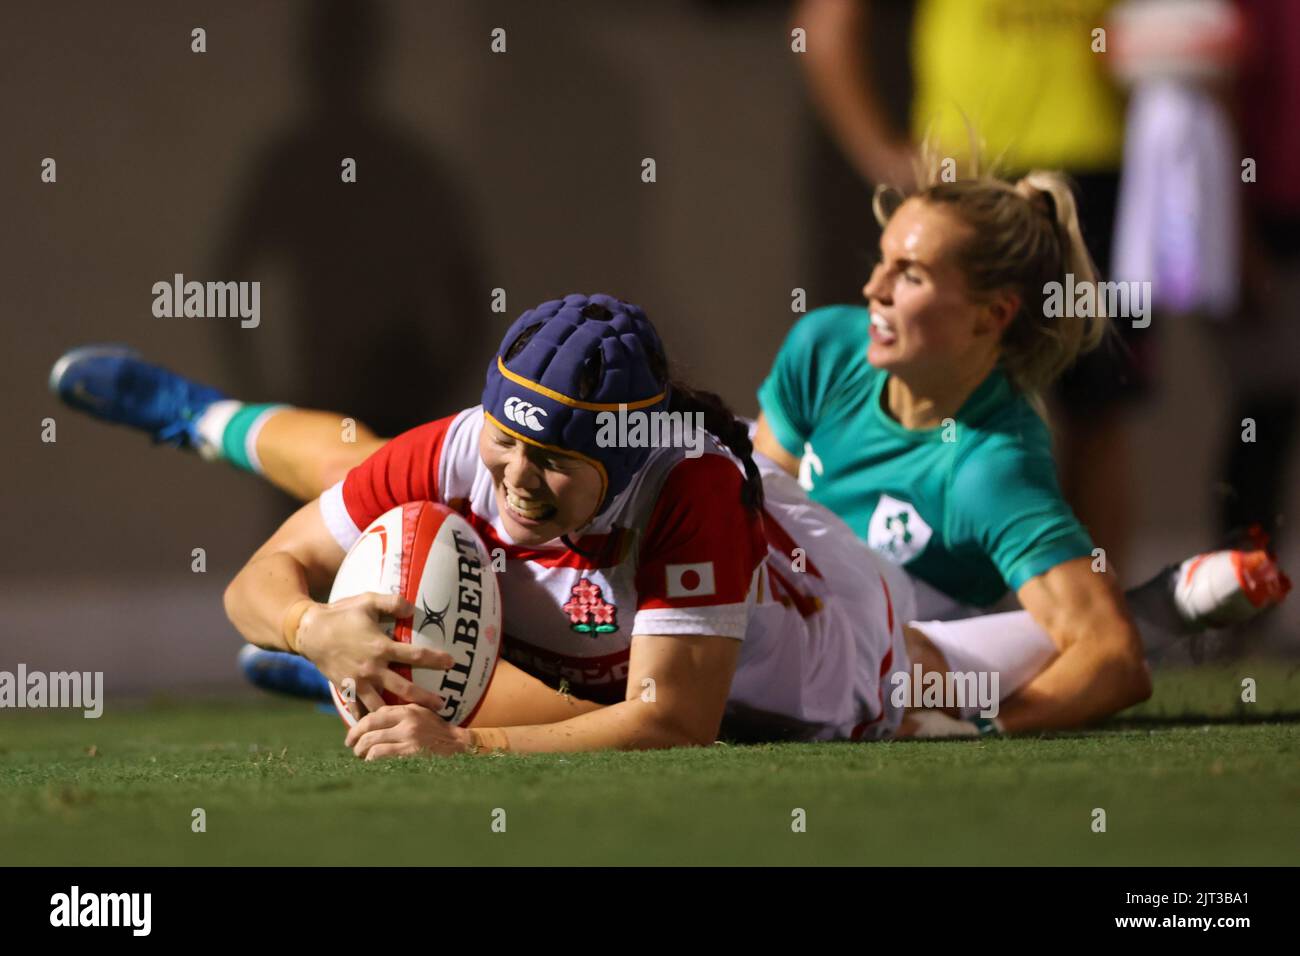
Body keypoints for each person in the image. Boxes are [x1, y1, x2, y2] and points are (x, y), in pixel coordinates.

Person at [753, 168, 1289, 730]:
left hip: (901, 643)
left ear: (994, 314)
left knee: (867, 671)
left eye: (910, 276)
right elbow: (758, 527)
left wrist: (981, 730)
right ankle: (1160, 608)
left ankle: (1153, 612)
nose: (874, 289)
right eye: (883, 262)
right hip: (802, 598)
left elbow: (1111, 657)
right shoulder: (825, 348)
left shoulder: (990, 467)